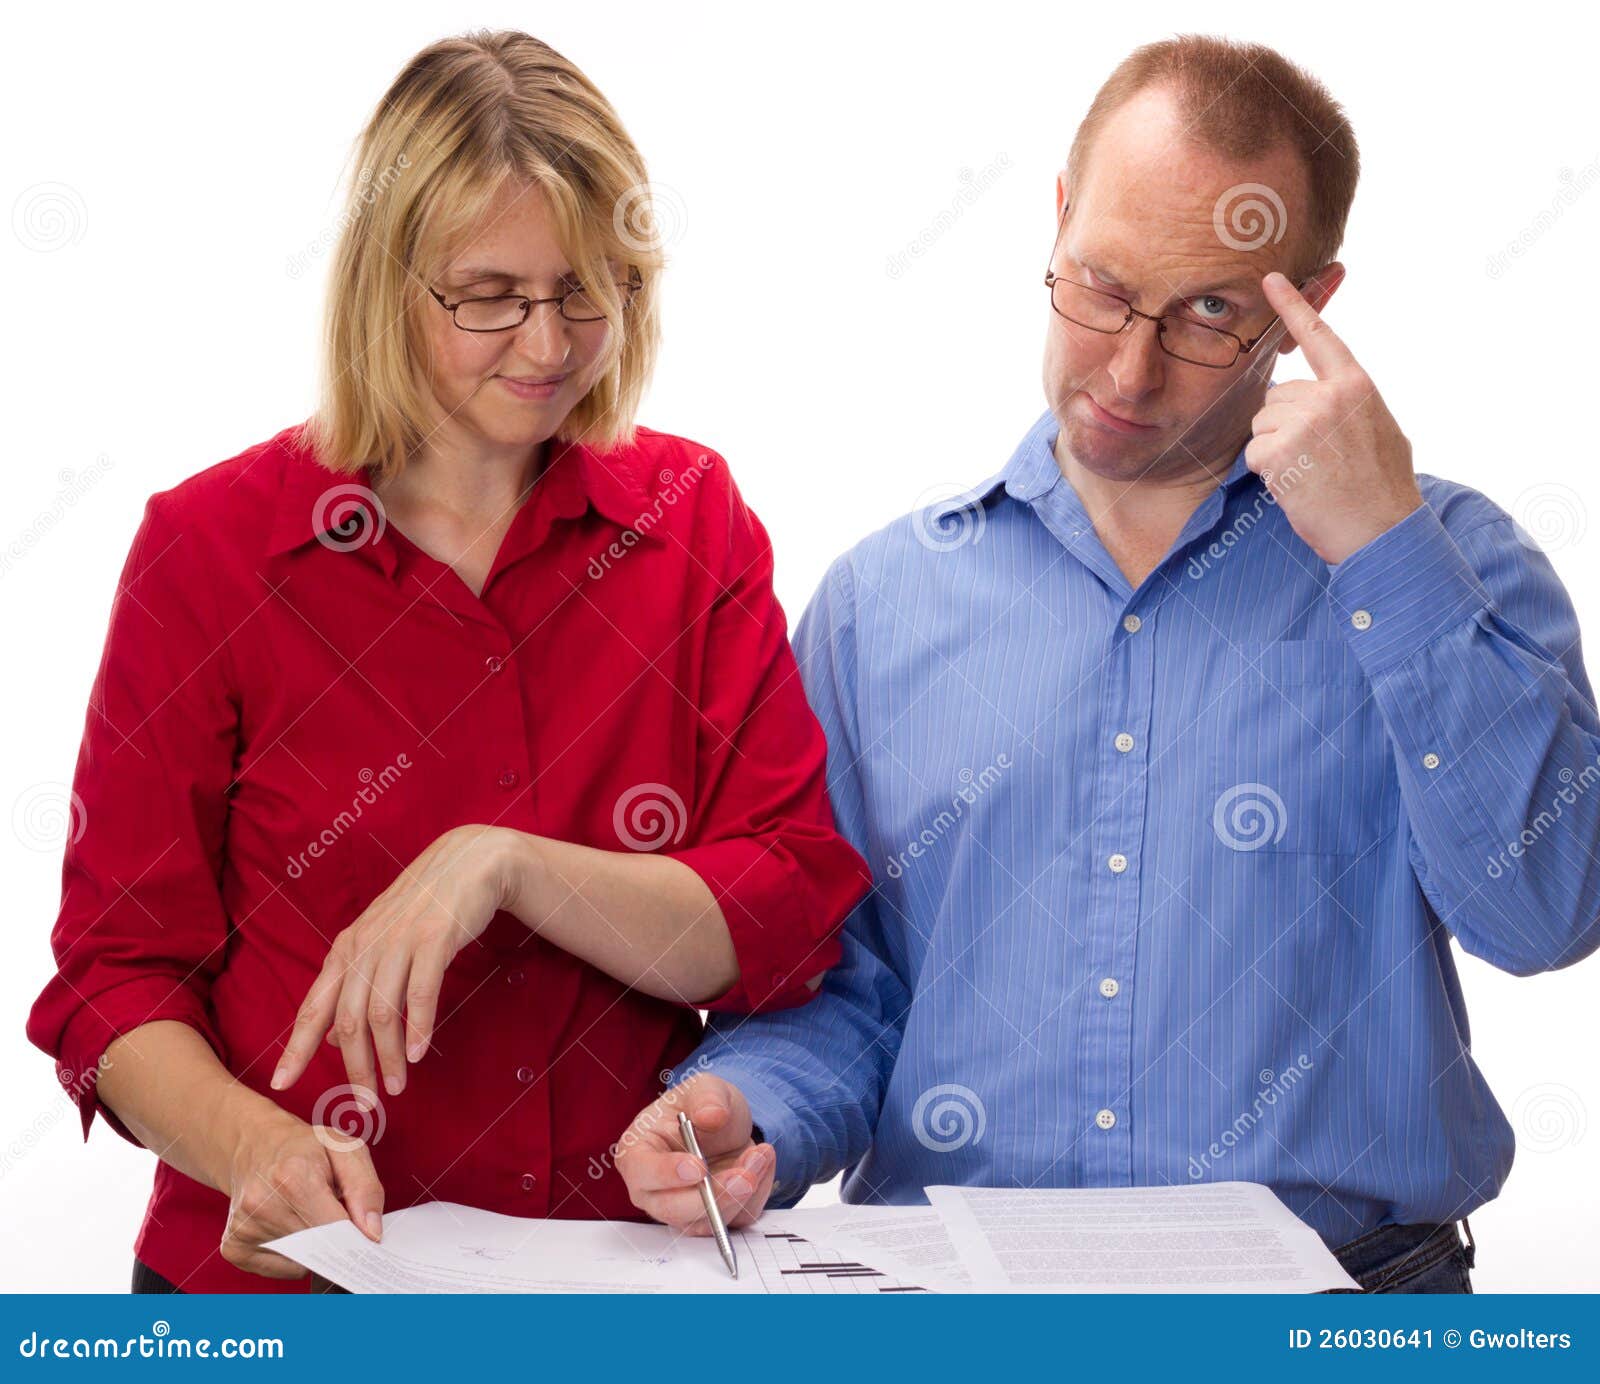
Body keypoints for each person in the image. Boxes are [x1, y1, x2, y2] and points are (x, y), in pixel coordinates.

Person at [613, 34, 1600, 1293]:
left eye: (1208, 314)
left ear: (1311, 303)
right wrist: (744, 1110)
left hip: (1348, 1315)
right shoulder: (880, 604)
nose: (1128, 373)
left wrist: (1385, 552)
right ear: (1061, 216)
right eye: (1101, 287)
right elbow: (838, 988)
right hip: (955, 1318)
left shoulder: (1449, 564)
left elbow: (1544, 916)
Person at [25, 28, 868, 1294]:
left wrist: (510, 866)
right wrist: (256, 1148)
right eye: (489, 296)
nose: (545, 344)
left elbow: (782, 912)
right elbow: (114, 973)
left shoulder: (689, 518)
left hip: (608, 1283)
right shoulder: (208, 550)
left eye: (588, 288)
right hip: (286, 1289)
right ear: (383, 281)